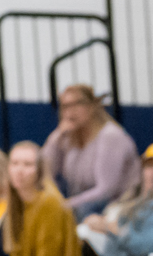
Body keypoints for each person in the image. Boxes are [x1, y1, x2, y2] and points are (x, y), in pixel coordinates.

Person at [42, 84, 141, 219]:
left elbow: (106, 191)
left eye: (78, 104)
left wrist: (65, 206)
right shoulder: (68, 139)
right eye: (66, 106)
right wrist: (56, 137)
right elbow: (44, 174)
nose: (71, 112)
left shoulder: (110, 136)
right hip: (83, 206)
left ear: (92, 107)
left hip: (117, 208)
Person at [79, 142, 153, 256]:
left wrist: (114, 229)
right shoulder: (133, 198)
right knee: (80, 234)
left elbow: (148, 247)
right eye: (149, 166)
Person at [6, 141, 81, 256]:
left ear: (39, 171)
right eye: (14, 163)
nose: (20, 170)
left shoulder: (49, 203)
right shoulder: (17, 203)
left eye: (28, 165)